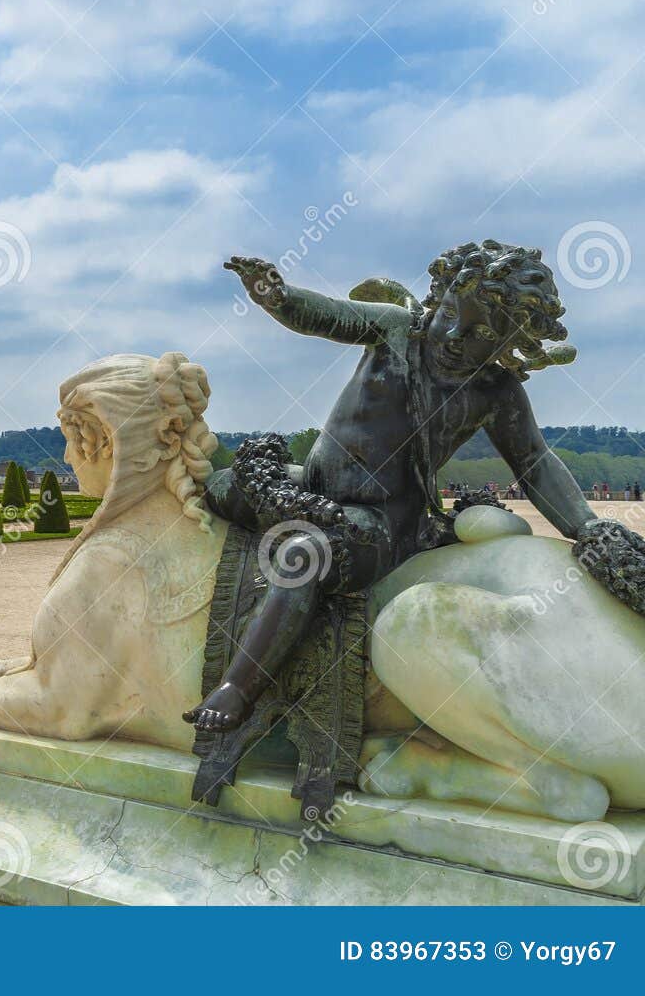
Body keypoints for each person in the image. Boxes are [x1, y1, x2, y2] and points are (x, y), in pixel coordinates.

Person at [187, 242, 594, 733]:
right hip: (308, 484)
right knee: (220, 487)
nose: (454, 335)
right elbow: (329, 316)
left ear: (512, 342)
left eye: (483, 332)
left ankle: (238, 687)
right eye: (448, 313)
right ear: (437, 298)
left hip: (375, 524)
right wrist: (277, 296)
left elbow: (535, 463)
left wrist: (587, 527)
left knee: (304, 554)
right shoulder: (396, 329)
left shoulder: (496, 391)